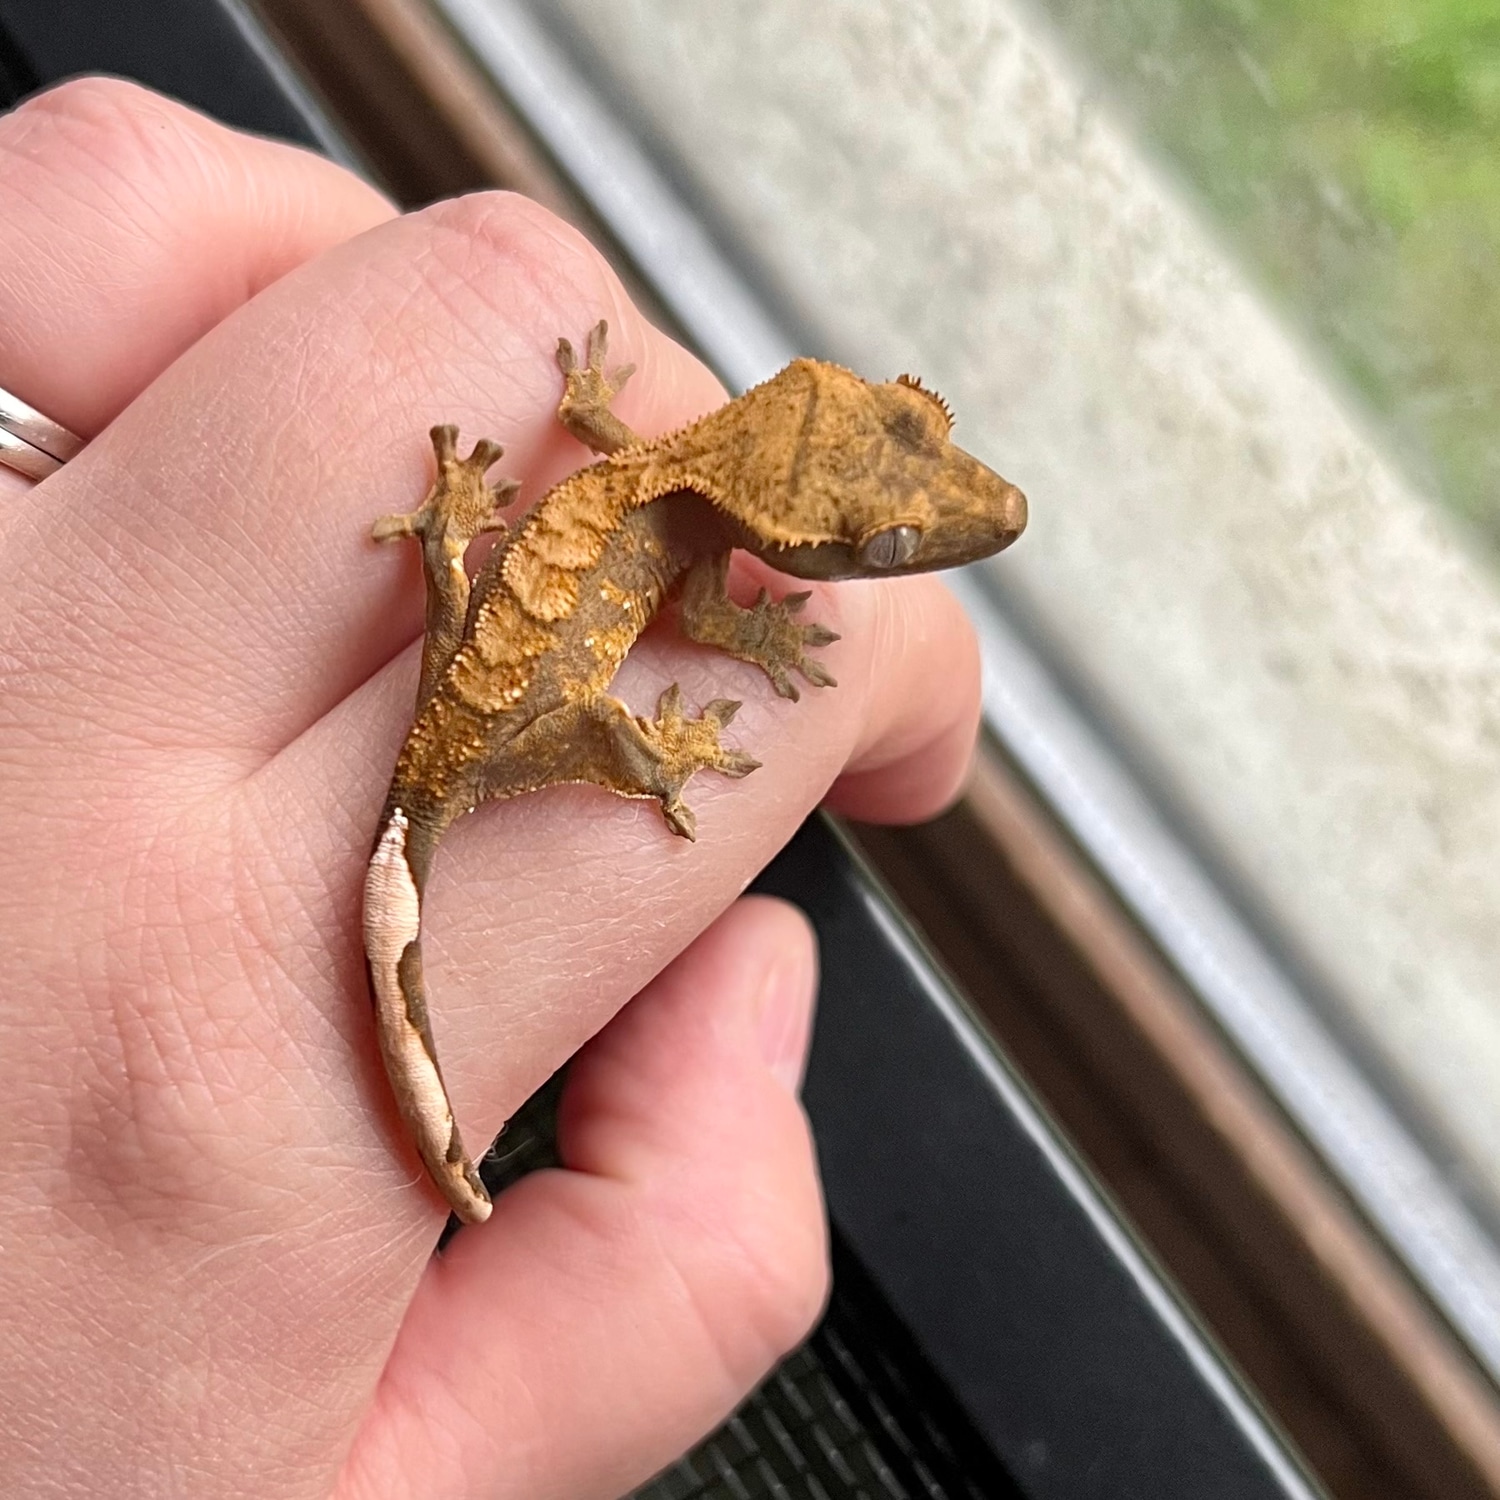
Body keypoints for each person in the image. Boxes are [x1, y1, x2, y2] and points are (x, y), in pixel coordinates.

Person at [0, 78, 984, 1497]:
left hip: (486, 648)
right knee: (593, 739)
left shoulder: (648, 454)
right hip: (506, 727)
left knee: (497, 722)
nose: (949, 515)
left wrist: (470, 507)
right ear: (784, 522)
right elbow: (698, 620)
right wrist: (690, 724)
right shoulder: (694, 538)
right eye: (884, 541)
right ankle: (588, 871)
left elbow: (598, 432)